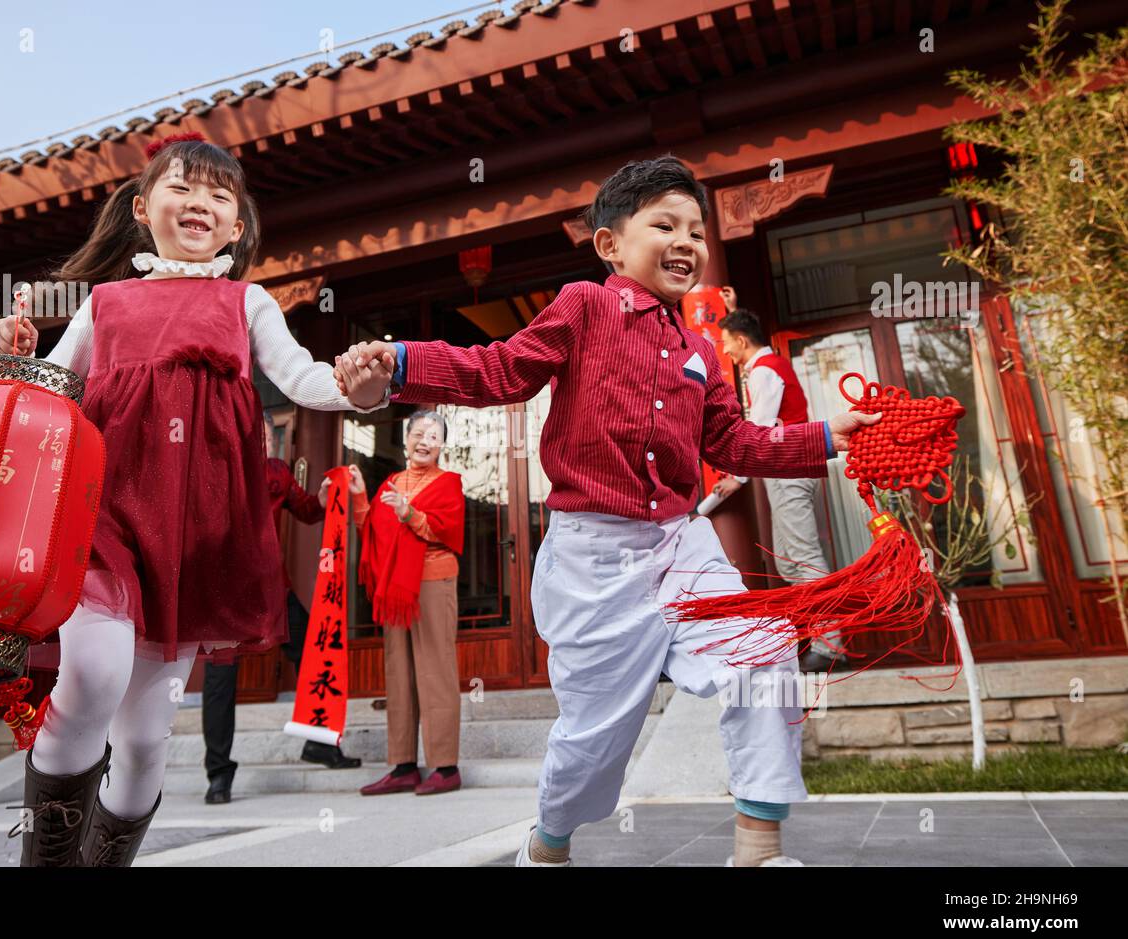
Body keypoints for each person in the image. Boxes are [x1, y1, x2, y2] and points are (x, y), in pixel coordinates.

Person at [334, 155, 878, 866]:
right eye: (665, 225)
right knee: (594, 738)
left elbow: (735, 441)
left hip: (683, 546)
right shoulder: (583, 308)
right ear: (610, 245)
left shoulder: (702, 354)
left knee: (764, 651)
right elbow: (499, 370)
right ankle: (548, 841)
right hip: (593, 558)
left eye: (696, 229)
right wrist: (402, 363)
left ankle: (758, 848)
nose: (687, 241)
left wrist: (828, 435)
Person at [0, 132, 394, 866]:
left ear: (237, 227)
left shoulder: (249, 301)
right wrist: (11, 359)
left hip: (199, 533)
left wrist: (358, 390)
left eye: (218, 194)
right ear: (143, 208)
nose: (199, 201)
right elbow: (50, 389)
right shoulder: (105, 304)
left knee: (144, 740)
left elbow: (305, 380)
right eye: (182, 186)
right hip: (102, 513)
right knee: (92, 674)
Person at [202, 413, 361, 806]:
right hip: (225, 597)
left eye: (266, 438)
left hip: (273, 590)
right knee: (220, 684)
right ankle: (219, 775)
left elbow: (306, 509)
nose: (262, 444)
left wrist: (324, 499)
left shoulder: (276, 473)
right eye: (254, 436)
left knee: (314, 651)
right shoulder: (212, 472)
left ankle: (319, 741)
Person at [714, 287, 849, 672]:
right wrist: (734, 311)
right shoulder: (768, 365)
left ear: (741, 342)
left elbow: (758, 430)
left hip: (789, 469)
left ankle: (831, 644)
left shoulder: (765, 371)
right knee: (790, 563)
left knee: (801, 557)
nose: (725, 352)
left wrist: (737, 478)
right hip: (787, 469)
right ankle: (822, 639)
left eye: (727, 344)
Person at [336, 411, 467, 797]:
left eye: (434, 435)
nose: (425, 440)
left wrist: (408, 512)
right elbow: (373, 531)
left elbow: (445, 529)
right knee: (399, 673)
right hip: (396, 590)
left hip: (433, 580)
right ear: (405, 437)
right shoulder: (391, 482)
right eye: (418, 433)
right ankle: (404, 765)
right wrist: (361, 494)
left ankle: (446, 766)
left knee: (436, 670)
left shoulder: (449, 484)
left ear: (443, 445)